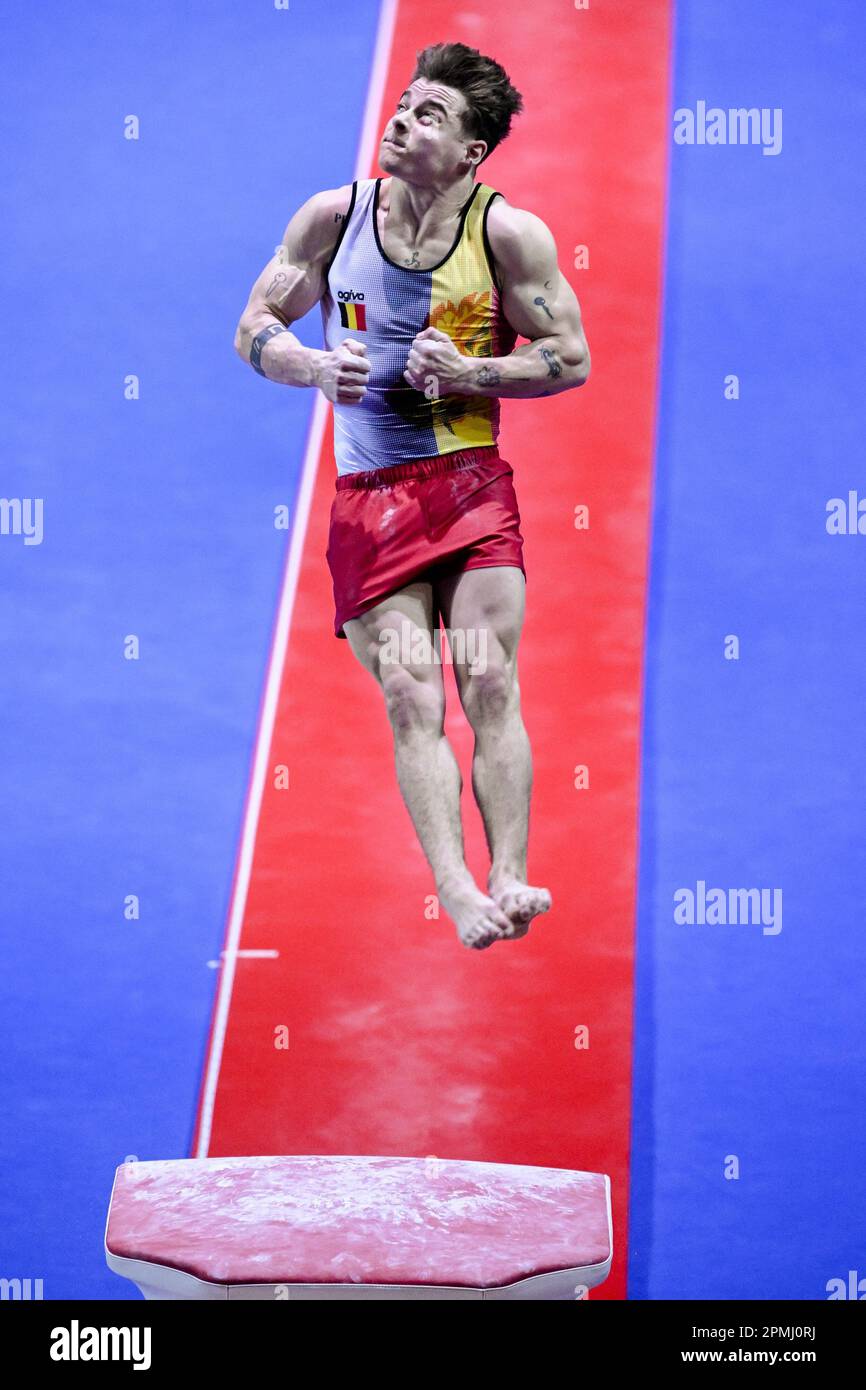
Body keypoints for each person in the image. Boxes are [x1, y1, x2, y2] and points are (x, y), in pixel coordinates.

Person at [234, 42, 590, 950]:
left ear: (472, 153)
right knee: (408, 691)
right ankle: (459, 890)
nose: (400, 120)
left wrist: (473, 367)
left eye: (430, 116)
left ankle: (510, 873)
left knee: (487, 677)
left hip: (467, 490)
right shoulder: (332, 218)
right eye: (403, 104)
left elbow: (570, 360)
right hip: (371, 502)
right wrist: (311, 364)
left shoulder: (509, 236)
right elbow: (253, 329)